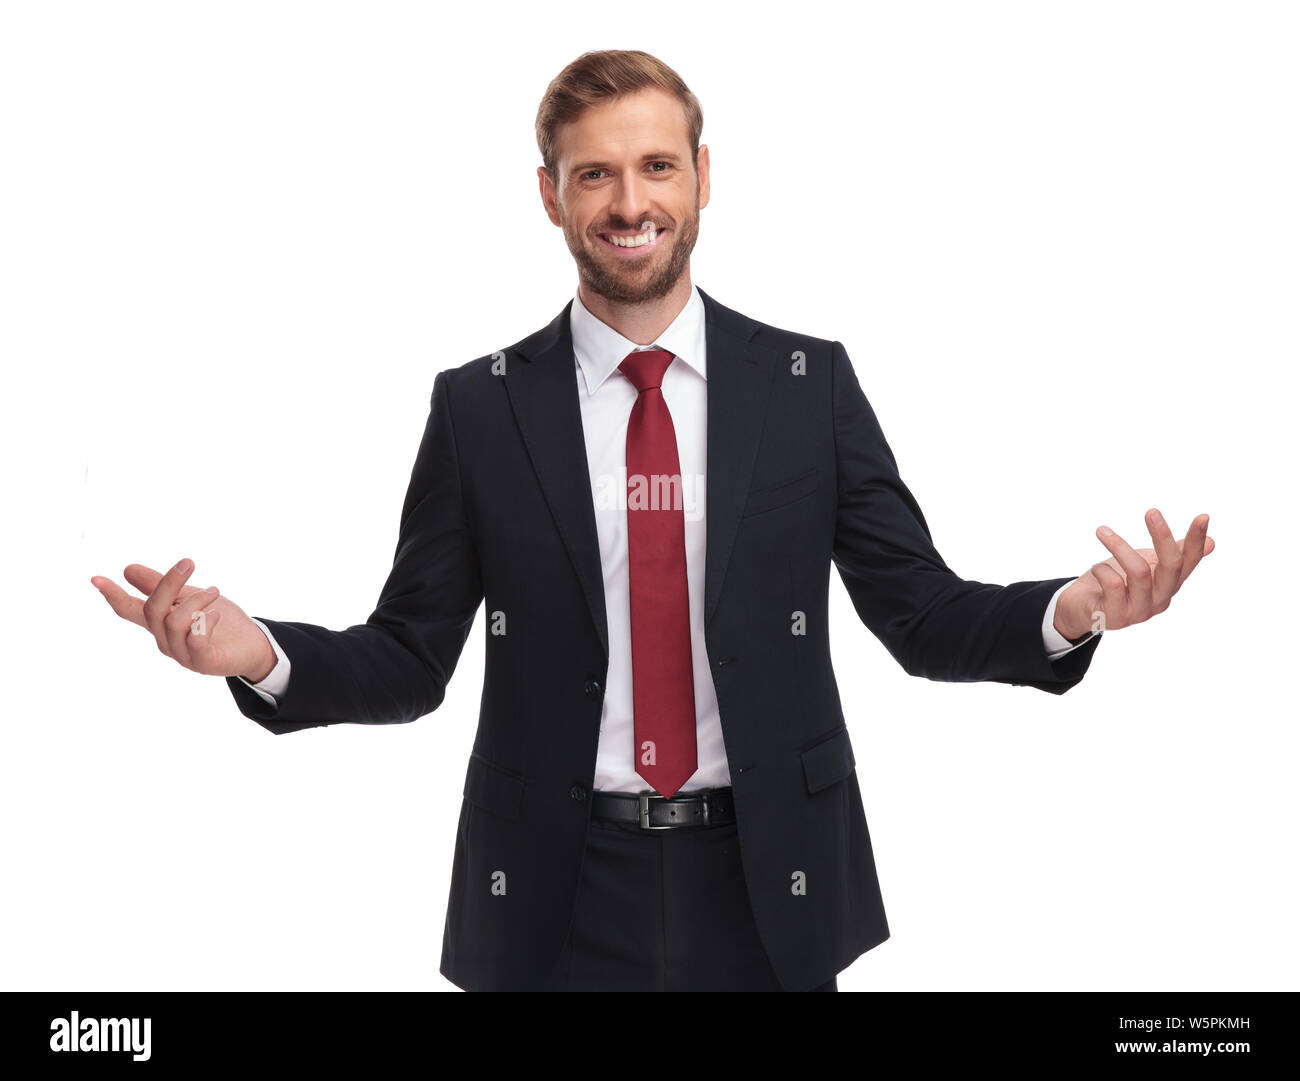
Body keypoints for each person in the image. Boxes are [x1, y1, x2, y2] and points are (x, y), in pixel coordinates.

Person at [91, 49, 1215, 991]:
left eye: (656, 166)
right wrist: (265, 655)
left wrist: (1075, 610)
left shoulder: (805, 384)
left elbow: (921, 615)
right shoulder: (479, 408)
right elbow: (410, 656)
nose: (630, 203)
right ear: (550, 195)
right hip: (549, 893)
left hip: (769, 881)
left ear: (704, 176)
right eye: (595, 175)